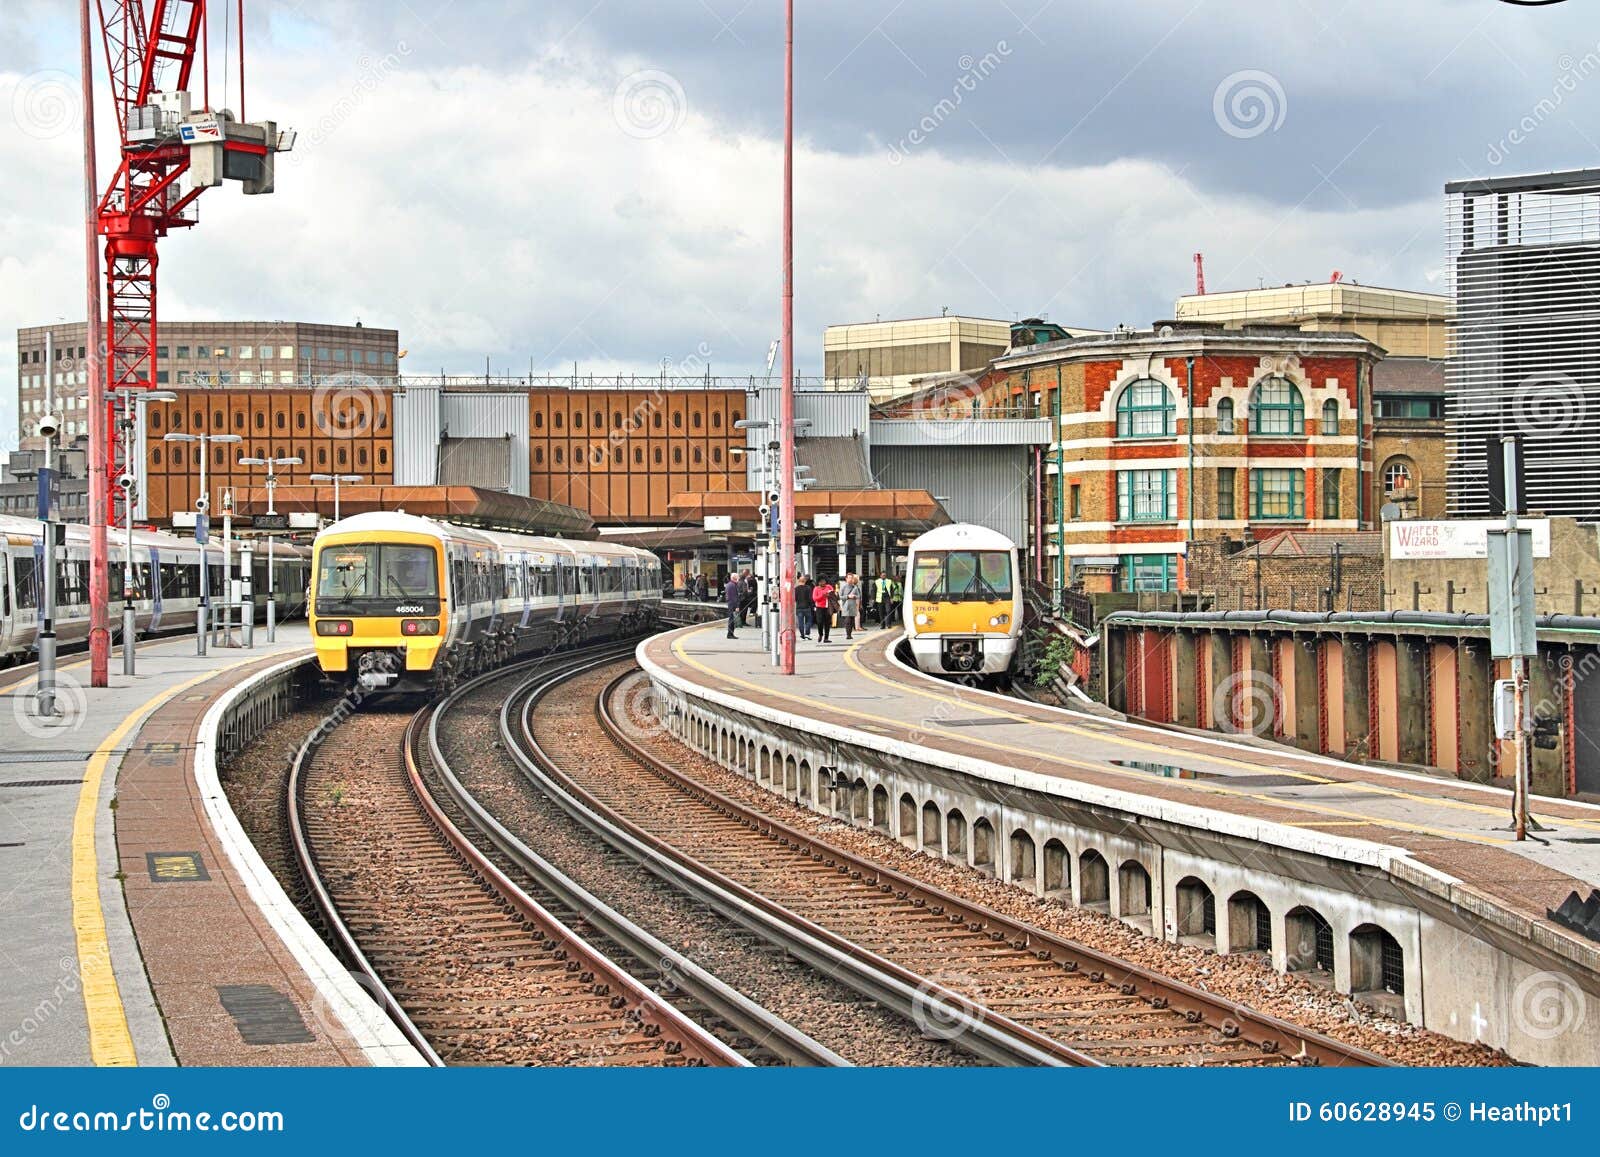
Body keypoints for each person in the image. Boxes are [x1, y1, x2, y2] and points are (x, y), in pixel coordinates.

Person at [837, 573, 862, 641]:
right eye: (849, 578)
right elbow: (840, 596)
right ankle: (848, 634)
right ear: (846, 579)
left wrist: (854, 596)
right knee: (847, 621)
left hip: (853, 606)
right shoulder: (843, 587)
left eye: (852, 578)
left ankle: (850, 634)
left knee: (851, 621)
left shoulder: (855, 587)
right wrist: (848, 596)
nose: (851, 579)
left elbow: (858, 596)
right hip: (845, 606)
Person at [812, 576, 835, 643]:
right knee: (819, 622)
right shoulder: (816, 589)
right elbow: (814, 598)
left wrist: (830, 595)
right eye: (821, 581)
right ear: (818, 582)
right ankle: (820, 634)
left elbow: (833, 595)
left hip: (828, 607)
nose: (823, 582)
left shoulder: (829, 587)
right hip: (819, 608)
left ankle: (826, 638)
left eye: (824, 581)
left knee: (827, 623)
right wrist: (823, 595)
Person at [794, 574, 815, 640]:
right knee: (809, 621)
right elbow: (810, 598)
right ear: (805, 581)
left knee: (800, 622)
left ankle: (802, 635)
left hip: (799, 608)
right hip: (807, 607)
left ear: (799, 581)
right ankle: (807, 634)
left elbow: (795, 598)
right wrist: (812, 605)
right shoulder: (808, 588)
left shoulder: (796, 589)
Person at [724, 573, 742, 639]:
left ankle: (730, 634)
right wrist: (737, 606)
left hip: (730, 604)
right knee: (732, 620)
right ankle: (730, 634)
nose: (738, 579)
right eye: (737, 577)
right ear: (734, 578)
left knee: (731, 619)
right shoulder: (732, 585)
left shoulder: (729, 585)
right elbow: (734, 597)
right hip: (732, 605)